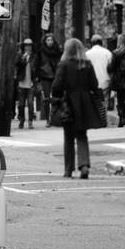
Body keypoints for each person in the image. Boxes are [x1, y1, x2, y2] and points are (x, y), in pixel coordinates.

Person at [51, 38, 104, 178]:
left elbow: (57, 86)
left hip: (68, 102)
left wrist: (56, 98)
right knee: (82, 135)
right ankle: (84, 165)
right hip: (85, 103)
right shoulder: (86, 64)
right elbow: (94, 84)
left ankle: (68, 169)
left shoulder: (64, 64)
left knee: (68, 137)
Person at [36, 33, 61, 125]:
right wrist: (38, 77)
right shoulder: (41, 51)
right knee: (46, 98)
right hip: (45, 77)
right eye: (48, 40)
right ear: (45, 41)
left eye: (51, 40)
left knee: (56, 98)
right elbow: (37, 64)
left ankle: (55, 117)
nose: (50, 42)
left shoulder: (57, 51)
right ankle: (47, 119)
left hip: (55, 76)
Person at [14, 38, 36, 128]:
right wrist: (24, 58)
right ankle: (21, 120)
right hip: (21, 83)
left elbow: (36, 67)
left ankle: (30, 121)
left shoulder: (34, 56)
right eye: (26, 45)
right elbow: (17, 64)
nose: (28, 47)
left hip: (31, 82)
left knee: (30, 103)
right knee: (21, 104)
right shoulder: (20, 55)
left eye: (30, 45)